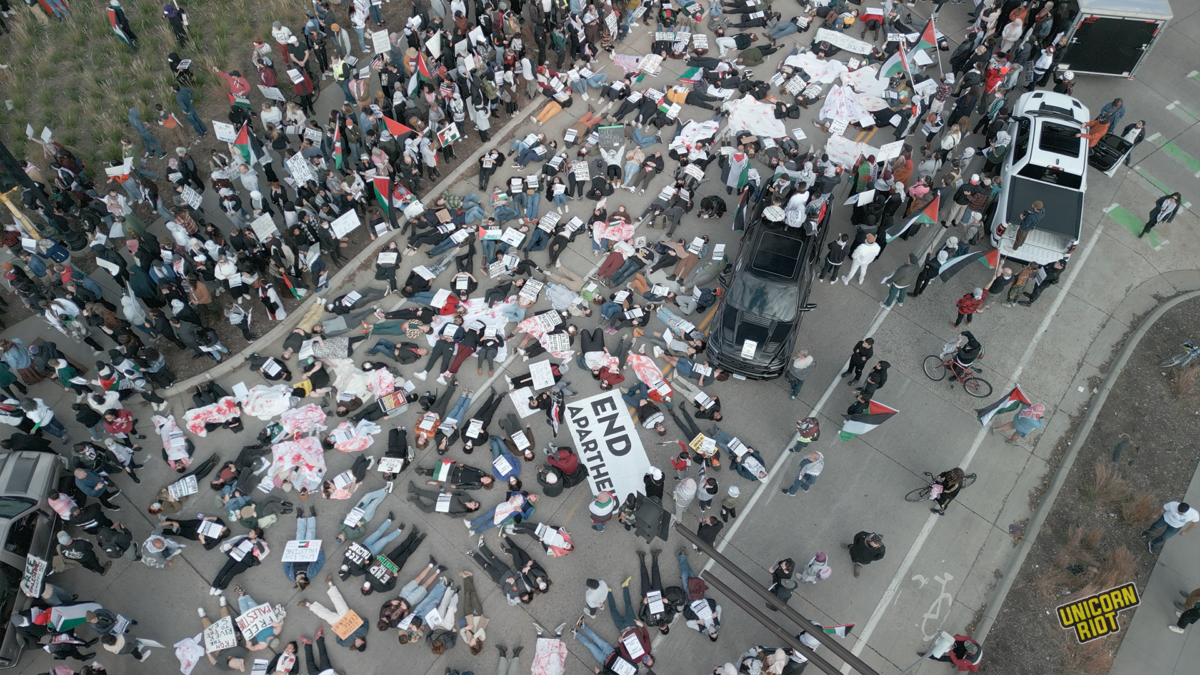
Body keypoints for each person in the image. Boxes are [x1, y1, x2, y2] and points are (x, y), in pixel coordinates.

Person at [298, 575, 369, 650]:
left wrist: (340, 631)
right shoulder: (364, 632)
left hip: (338, 623)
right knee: (339, 601)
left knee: (324, 614)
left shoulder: (348, 643)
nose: (358, 642)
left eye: (357, 645)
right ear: (363, 641)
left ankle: (307, 604)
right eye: (360, 643)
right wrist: (356, 620)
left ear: (355, 646)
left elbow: (338, 641)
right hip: (346, 616)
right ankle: (330, 583)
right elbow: (365, 621)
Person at [919, 634, 983, 670]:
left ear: (969, 652)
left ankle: (930, 656)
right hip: (965, 651)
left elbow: (957, 662)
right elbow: (965, 638)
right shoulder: (976, 645)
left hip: (963, 657)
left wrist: (951, 651)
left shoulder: (969, 661)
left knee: (947, 658)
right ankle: (951, 646)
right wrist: (952, 639)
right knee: (957, 642)